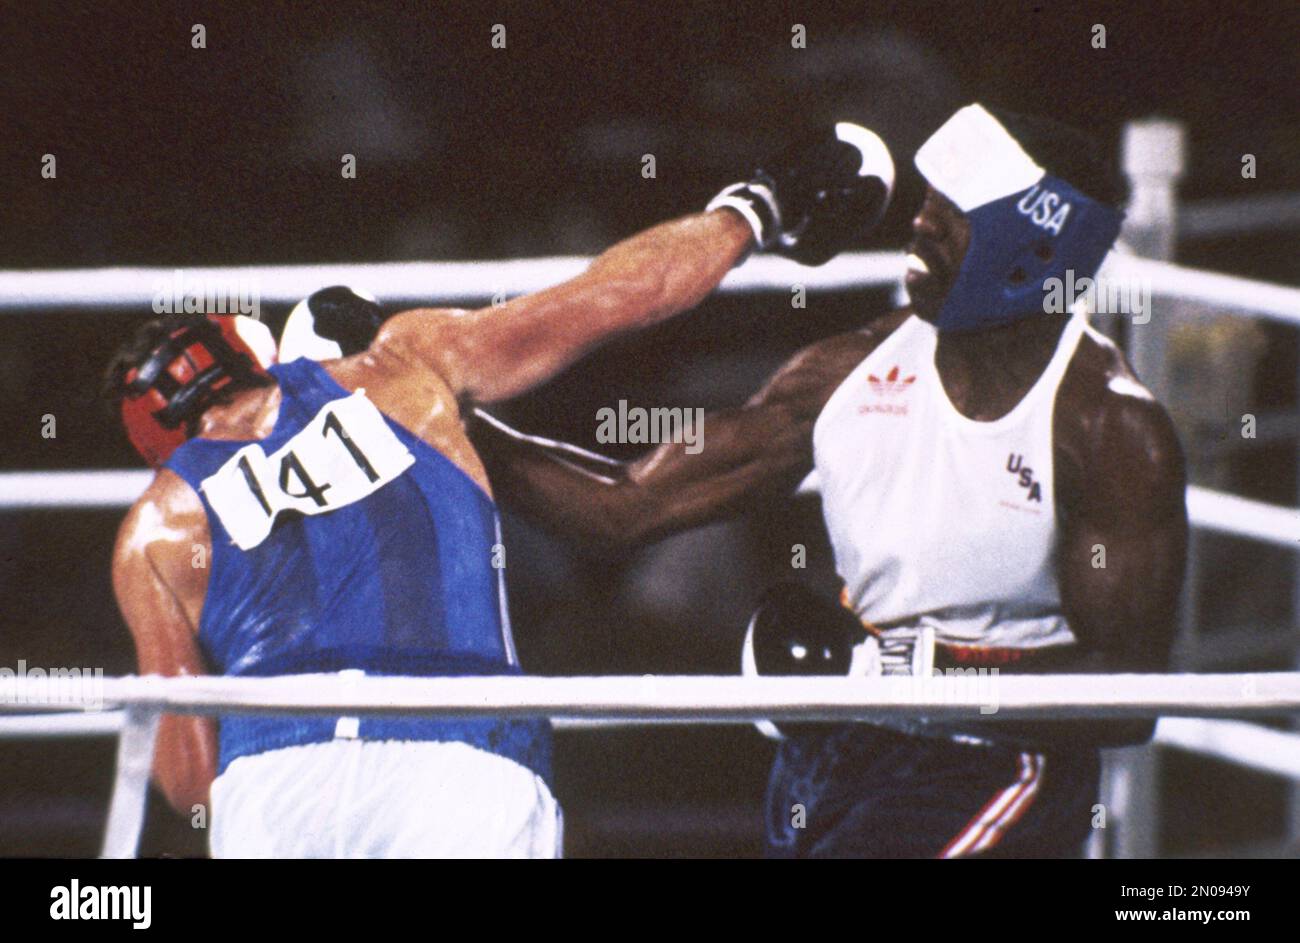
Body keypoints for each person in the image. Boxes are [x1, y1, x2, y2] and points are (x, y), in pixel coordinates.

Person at [104, 121, 894, 858]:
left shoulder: (153, 528)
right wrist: (756, 211)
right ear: (257, 354)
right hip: (457, 758)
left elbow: (186, 775)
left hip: (276, 785)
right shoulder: (399, 366)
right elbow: (622, 293)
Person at [473, 104, 1190, 858]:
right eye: (929, 201)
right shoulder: (848, 373)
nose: (921, 225)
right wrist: (441, 411)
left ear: (1034, 243)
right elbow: (623, 507)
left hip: (999, 758)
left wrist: (909, 675)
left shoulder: (1109, 429)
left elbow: (1128, 696)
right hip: (841, 745)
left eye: (957, 212)